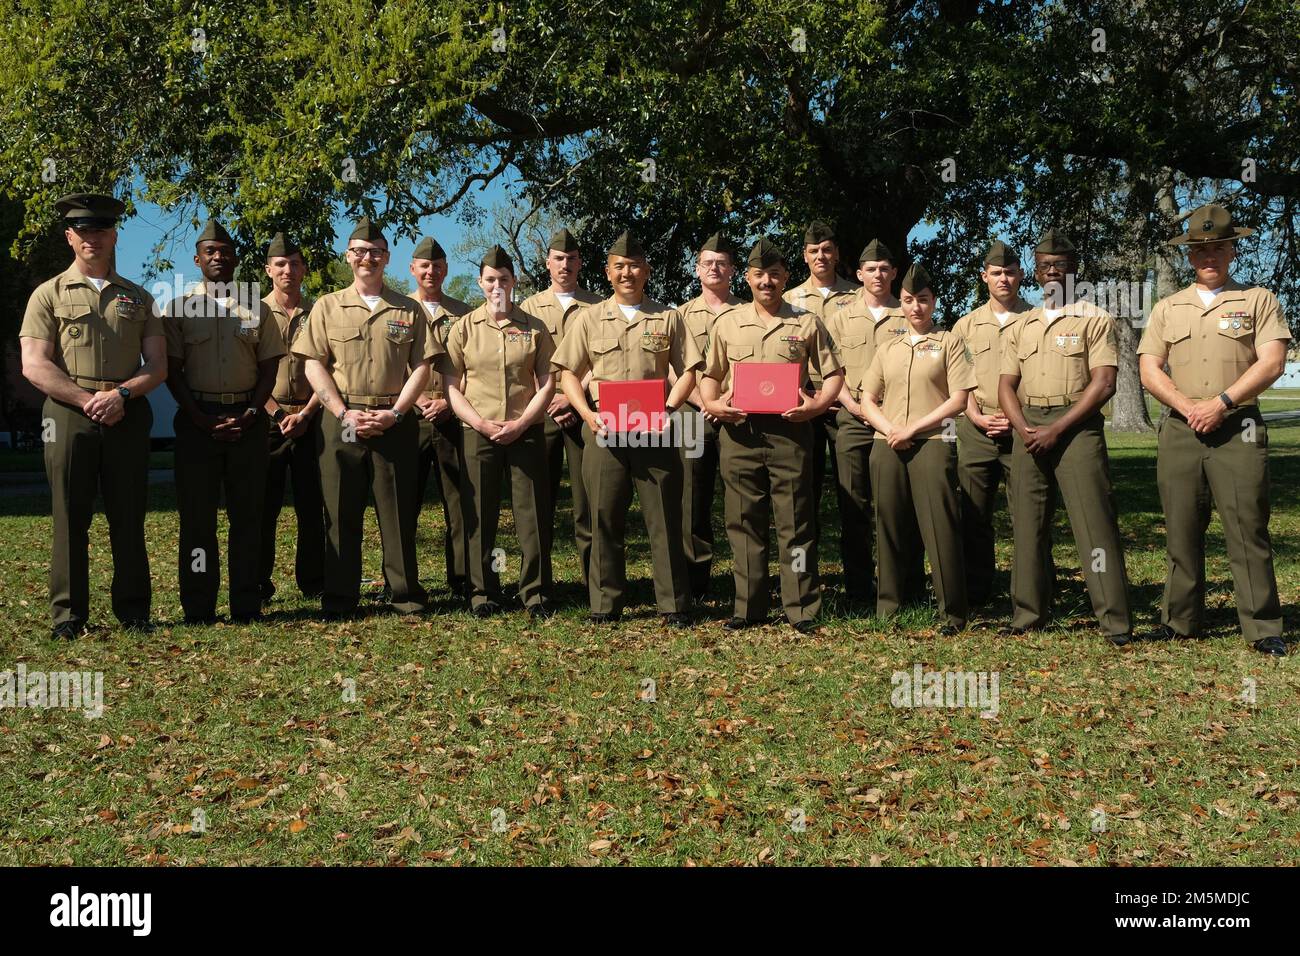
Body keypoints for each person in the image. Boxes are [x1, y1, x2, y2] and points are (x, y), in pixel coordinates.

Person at [1138, 204, 1290, 656]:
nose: (1209, 256)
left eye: (1218, 247)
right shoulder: (1167, 307)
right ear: (1189, 255)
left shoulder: (1258, 300)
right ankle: (1180, 620)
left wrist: (1221, 403)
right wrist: (1189, 406)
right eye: (1200, 249)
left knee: (1247, 527)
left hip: (1237, 428)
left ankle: (1263, 627)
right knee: (1181, 526)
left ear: (1232, 250)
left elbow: (1273, 361)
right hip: (1181, 429)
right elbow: (1150, 367)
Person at [19, 192, 166, 638]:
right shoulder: (48, 294)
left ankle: (134, 610)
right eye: (83, 232)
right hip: (68, 415)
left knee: (129, 513)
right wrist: (87, 401)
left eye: (101, 230)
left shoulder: (139, 299)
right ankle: (68, 616)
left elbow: (158, 365)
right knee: (69, 515)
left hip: (127, 413)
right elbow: (34, 363)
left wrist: (122, 394)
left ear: (113, 235)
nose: (93, 239)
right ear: (70, 237)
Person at [551, 231, 701, 624]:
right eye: (619, 266)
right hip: (603, 429)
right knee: (603, 515)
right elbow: (568, 372)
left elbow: (689, 371)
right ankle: (605, 604)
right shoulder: (588, 319)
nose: (627, 272)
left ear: (646, 270)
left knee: (664, 517)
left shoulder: (668, 317)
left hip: (656, 429)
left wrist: (670, 408)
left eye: (634, 265)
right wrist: (586, 413)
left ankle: (673, 603)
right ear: (608, 272)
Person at [700, 238, 845, 633]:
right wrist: (713, 406)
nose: (767, 282)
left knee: (795, 521)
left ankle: (801, 607)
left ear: (785, 278)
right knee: (744, 521)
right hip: (740, 434)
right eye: (760, 275)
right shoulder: (727, 323)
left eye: (775, 275)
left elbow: (834, 375)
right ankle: (749, 607)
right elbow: (710, 375)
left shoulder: (806, 322)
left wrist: (816, 408)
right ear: (747, 278)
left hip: (791, 432)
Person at [294, 218, 435, 617]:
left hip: (394, 419)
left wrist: (395, 413)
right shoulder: (327, 306)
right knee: (339, 512)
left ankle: (405, 594)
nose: (367, 258)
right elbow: (313, 365)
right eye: (359, 251)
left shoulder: (409, 309)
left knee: (398, 512)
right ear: (348, 256)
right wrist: (341, 412)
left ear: (387, 258)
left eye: (375, 252)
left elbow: (422, 367)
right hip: (341, 421)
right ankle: (340, 597)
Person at [998, 229, 1133, 644]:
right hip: (1029, 424)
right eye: (1044, 266)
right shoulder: (1023, 325)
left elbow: (1104, 383)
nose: (1052, 272)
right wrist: (1023, 428)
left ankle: (1114, 621)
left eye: (1059, 265)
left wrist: (1057, 428)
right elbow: (1006, 385)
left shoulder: (1094, 318)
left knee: (1094, 523)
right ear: (1034, 273)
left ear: (1074, 270)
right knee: (1027, 523)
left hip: (1075, 427)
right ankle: (1028, 614)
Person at [164, 219, 284, 624]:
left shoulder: (258, 308)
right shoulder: (178, 309)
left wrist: (252, 413)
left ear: (236, 258)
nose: (219, 257)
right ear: (197, 259)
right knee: (197, 521)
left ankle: (246, 604)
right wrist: (198, 417)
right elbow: (172, 371)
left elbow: (268, 368)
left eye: (225, 251)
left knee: (248, 518)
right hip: (197, 422)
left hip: (248, 423)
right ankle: (199, 605)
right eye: (210, 252)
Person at [442, 246, 557, 619]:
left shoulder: (534, 327)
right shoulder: (462, 328)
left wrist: (522, 423)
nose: (497, 286)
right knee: (479, 513)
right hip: (479, 431)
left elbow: (547, 384)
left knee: (532, 514)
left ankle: (535, 592)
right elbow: (452, 387)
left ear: (514, 282)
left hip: (525, 431)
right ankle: (482, 591)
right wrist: (478, 423)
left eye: (503, 279)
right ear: (480, 283)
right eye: (490, 279)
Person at [859, 264, 974, 632]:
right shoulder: (887, 346)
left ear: (933, 302)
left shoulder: (950, 342)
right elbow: (867, 397)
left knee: (940, 526)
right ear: (902, 303)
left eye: (923, 300)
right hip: (887, 443)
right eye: (908, 300)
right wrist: (891, 429)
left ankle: (952, 613)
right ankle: (889, 608)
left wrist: (913, 428)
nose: (915, 308)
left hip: (933, 443)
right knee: (888, 526)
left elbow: (958, 400)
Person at [827, 238, 912, 606]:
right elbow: (830, 369)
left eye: (884, 269)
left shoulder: (908, 314)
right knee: (854, 506)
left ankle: (902, 586)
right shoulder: (839, 317)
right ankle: (859, 589)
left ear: (894, 273)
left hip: (896, 424)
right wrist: (852, 404)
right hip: (851, 420)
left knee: (895, 507)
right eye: (870, 269)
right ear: (858, 274)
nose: (878, 275)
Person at [519, 228, 603, 590]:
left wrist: (573, 396)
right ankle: (541, 585)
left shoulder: (600, 306)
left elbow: (603, 360)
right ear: (547, 263)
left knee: (589, 503)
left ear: (580, 262)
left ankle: (593, 582)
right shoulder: (528, 308)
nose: (565, 264)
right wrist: (549, 397)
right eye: (558, 258)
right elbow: (520, 361)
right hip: (540, 412)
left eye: (571, 258)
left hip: (584, 411)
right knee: (539, 502)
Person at [951, 240, 1033, 607]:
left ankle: (1030, 591)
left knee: (1029, 514)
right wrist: (975, 416)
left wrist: (1018, 421)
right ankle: (978, 591)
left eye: (1010, 272)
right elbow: (957, 378)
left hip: (1024, 429)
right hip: (976, 427)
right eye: (996, 273)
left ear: (1022, 274)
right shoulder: (965, 325)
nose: (1004, 279)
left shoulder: (1037, 320)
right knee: (973, 513)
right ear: (984, 277)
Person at [673, 231, 741, 599]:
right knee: (692, 499)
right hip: (692, 415)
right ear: (697, 270)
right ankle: (694, 582)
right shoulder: (680, 314)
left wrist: (725, 399)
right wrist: (702, 400)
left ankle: (744, 579)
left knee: (740, 497)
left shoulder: (748, 312)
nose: (714, 268)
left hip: (735, 412)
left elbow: (753, 366)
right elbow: (672, 366)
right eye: (707, 263)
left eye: (721, 263)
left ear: (732, 269)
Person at [258, 232, 324, 603]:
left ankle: (314, 581)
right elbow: (248, 370)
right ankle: (260, 583)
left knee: (313, 505)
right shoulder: (252, 312)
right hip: (268, 419)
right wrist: (277, 412)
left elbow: (331, 368)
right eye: (281, 264)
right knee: (263, 506)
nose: (288, 270)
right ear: (269, 270)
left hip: (312, 417)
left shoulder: (319, 312)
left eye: (295, 263)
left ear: (304, 269)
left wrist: (308, 411)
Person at [409, 235, 472, 597]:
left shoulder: (465, 314)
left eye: (437, 266)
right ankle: (403, 579)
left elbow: (471, 366)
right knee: (404, 502)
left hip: (452, 415)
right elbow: (394, 364)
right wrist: (416, 401)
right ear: (413, 269)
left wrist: (449, 402)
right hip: (410, 417)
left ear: (446, 270)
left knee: (460, 501)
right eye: (424, 266)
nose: (431, 271)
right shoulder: (399, 309)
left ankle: (462, 578)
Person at [783, 222, 858, 526]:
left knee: (855, 491)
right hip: (803, 400)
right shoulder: (788, 299)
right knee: (802, 489)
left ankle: (859, 573)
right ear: (804, 256)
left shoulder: (860, 296)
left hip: (847, 402)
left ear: (837, 253)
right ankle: (804, 571)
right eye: (814, 251)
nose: (821, 256)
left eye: (827, 250)